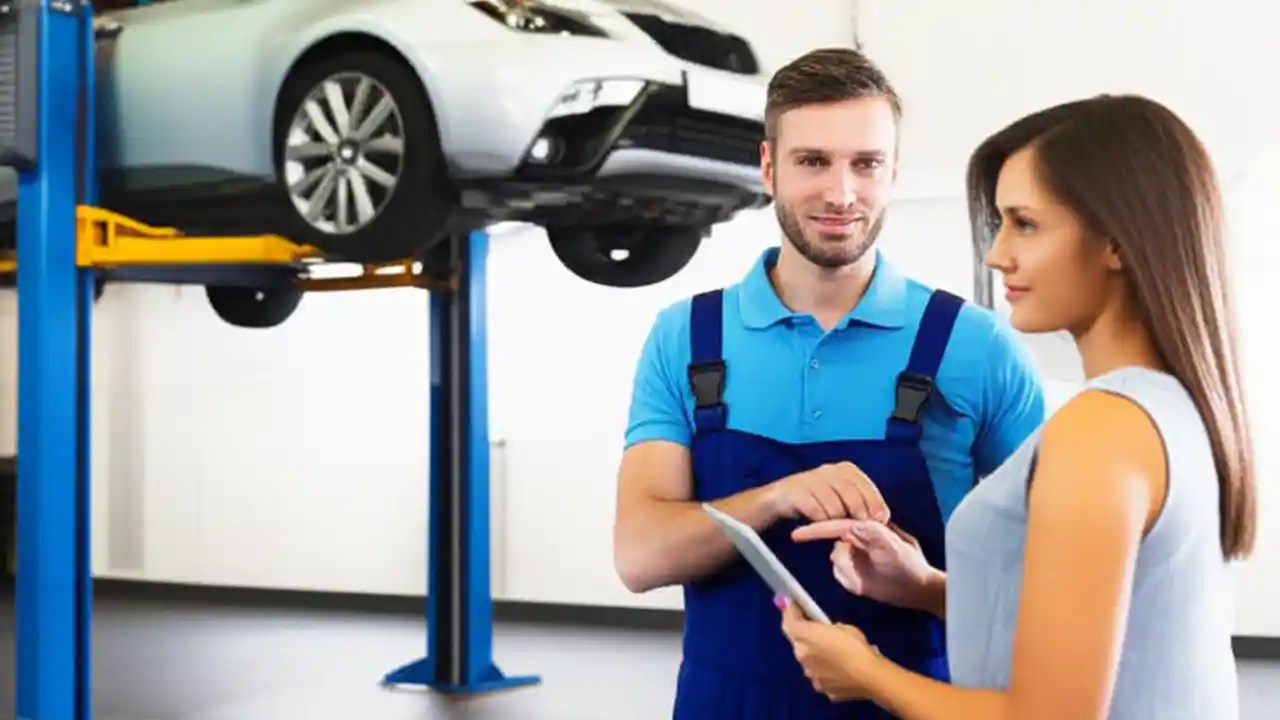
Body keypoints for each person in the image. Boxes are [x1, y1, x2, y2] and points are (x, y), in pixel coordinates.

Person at [778, 93, 1257, 720]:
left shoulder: (1103, 431)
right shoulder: (1171, 407)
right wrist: (926, 589)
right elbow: (1117, 630)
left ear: (1117, 240)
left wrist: (865, 673)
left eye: (1025, 224)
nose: (997, 254)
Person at [612, 47, 1047, 719]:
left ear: (893, 172)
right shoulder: (687, 339)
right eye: (813, 161)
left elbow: (1051, 584)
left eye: (866, 164)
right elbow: (639, 554)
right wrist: (777, 498)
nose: (841, 194)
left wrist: (927, 587)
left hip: (912, 702)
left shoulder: (974, 345)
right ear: (768, 167)